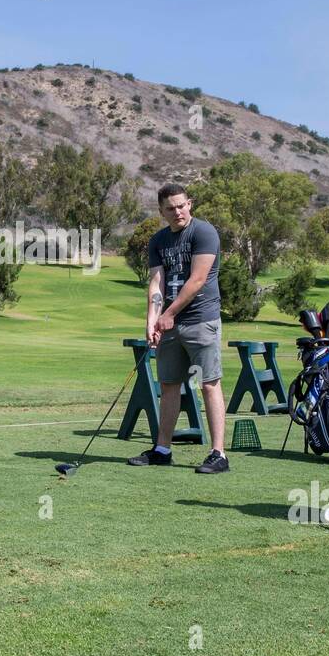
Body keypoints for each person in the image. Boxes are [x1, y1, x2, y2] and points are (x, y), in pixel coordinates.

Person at [129, 183, 228, 473]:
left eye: (181, 205)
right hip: (168, 324)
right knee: (170, 385)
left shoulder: (204, 232)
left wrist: (168, 314)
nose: (177, 212)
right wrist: (151, 320)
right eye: (170, 208)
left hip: (201, 320)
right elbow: (157, 282)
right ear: (161, 212)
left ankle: (218, 454)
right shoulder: (158, 240)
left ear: (190, 204)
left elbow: (197, 280)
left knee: (209, 383)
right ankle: (162, 449)